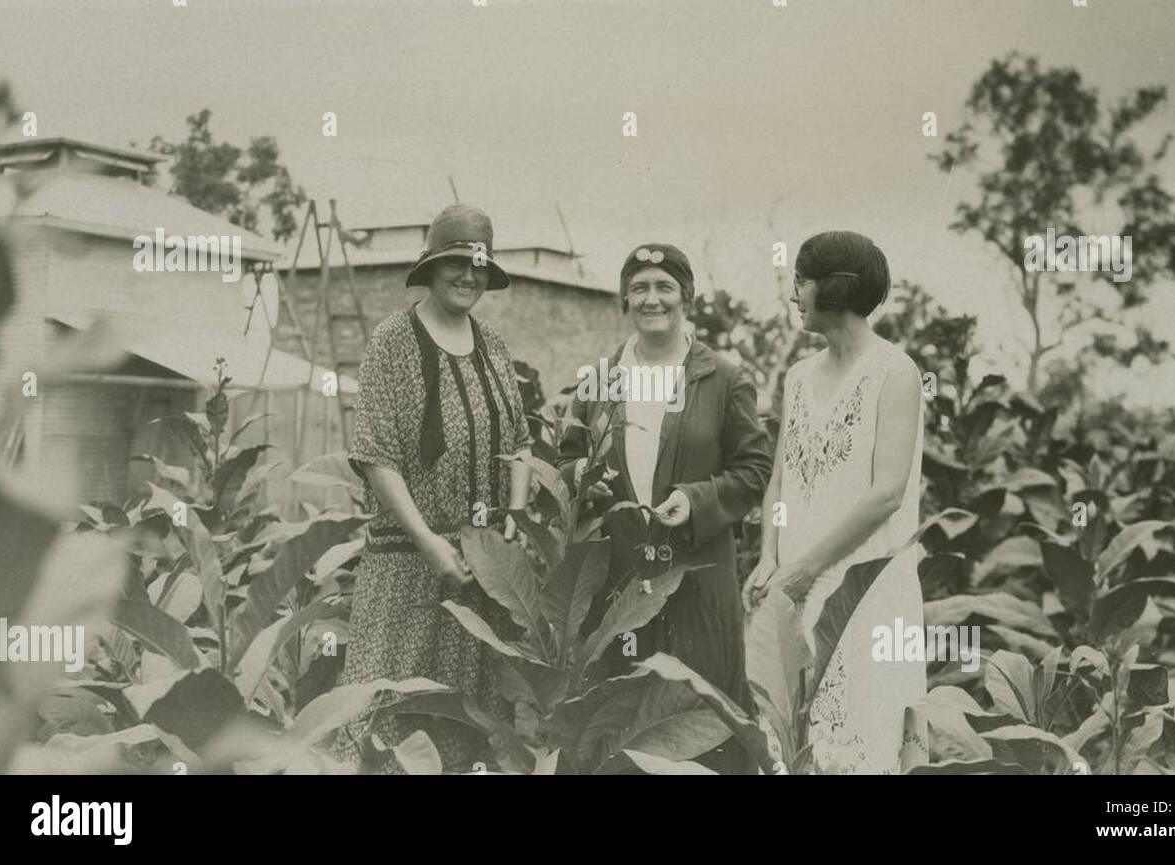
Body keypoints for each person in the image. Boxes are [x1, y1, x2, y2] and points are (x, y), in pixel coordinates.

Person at [558, 242, 771, 773]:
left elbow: (754, 469)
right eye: (639, 288)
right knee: (624, 718)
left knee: (702, 713)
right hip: (620, 582)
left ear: (686, 297)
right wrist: (582, 478)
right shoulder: (599, 379)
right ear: (624, 299)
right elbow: (567, 458)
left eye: (664, 287)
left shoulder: (722, 379)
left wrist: (694, 499)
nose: (651, 300)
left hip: (697, 578)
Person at [337, 205, 533, 774]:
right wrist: (428, 542)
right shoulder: (394, 340)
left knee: (470, 728)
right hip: (408, 572)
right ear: (430, 267)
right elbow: (376, 456)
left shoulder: (492, 342)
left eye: (477, 266)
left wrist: (516, 516)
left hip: (481, 574)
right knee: (391, 724)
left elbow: (520, 442)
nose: (468, 277)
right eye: (456, 263)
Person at [744, 231, 928, 774]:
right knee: (788, 738)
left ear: (835, 287)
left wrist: (806, 567)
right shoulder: (799, 377)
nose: (794, 293)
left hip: (864, 589)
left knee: (860, 738)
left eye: (802, 280)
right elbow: (780, 479)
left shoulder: (896, 372)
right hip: (793, 586)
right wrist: (769, 557)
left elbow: (886, 494)